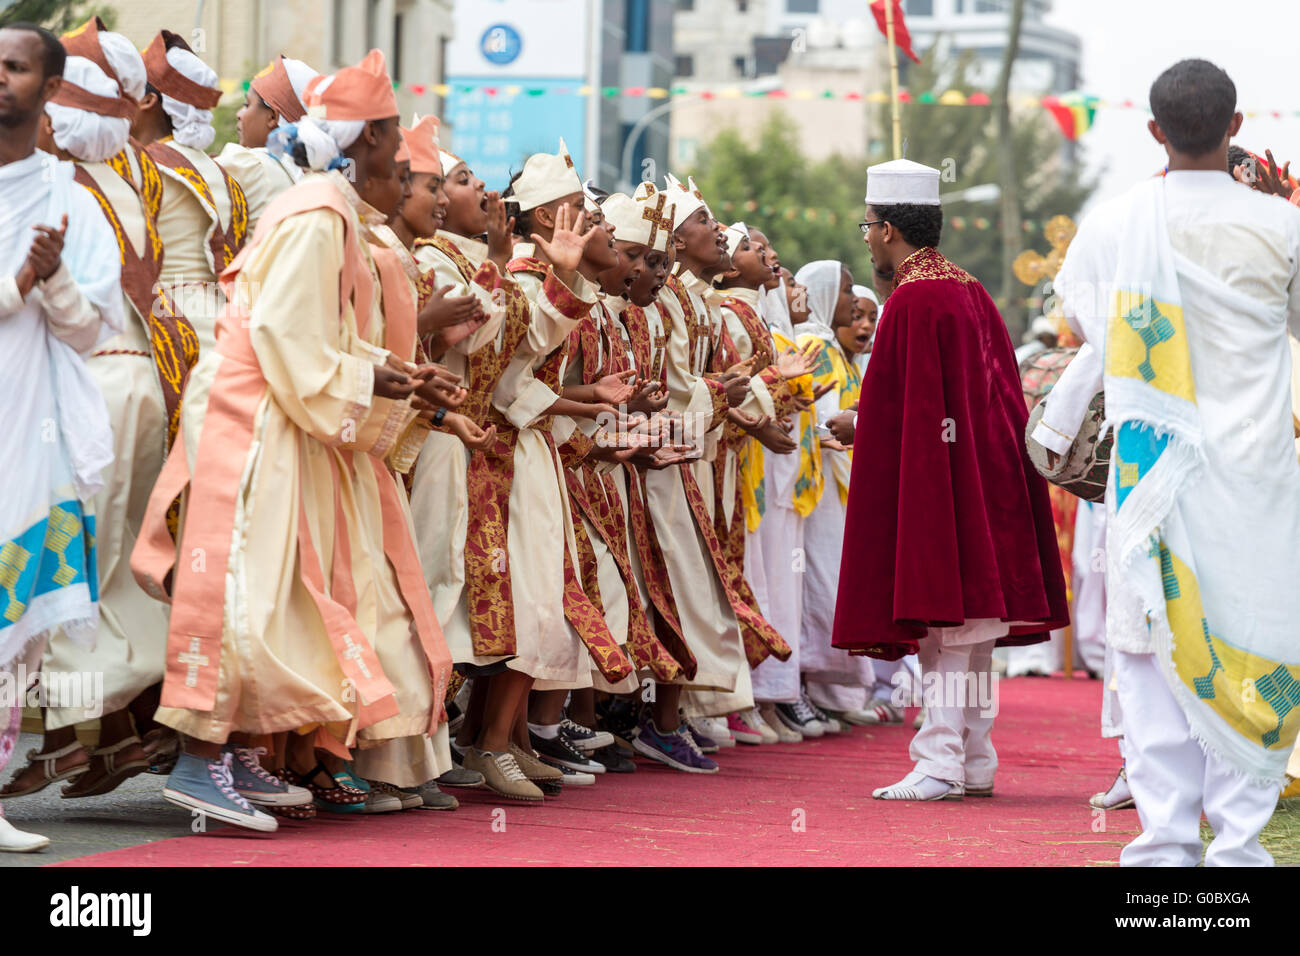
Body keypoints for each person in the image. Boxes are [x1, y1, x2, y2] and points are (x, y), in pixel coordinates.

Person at [131, 49, 454, 832]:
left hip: (282, 412)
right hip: (255, 417)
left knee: (288, 598)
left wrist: (386, 374)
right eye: (389, 134)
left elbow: (315, 333)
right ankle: (198, 760)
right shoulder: (318, 212)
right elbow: (281, 333)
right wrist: (371, 378)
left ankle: (239, 754)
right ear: (372, 139)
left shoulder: (324, 207)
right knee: (247, 589)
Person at [1038, 59, 1300, 865]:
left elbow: (1088, 324)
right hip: (1255, 477)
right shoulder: (1282, 228)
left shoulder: (1115, 226)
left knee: (1151, 653)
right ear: (1236, 127)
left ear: (1154, 132)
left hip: (1149, 475)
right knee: (1256, 632)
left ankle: (1164, 851)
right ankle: (1242, 851)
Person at [835, 158, 1069, 802]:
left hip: (943, 475)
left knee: (950, 625)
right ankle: (972, 756)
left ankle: (941, 758)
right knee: (972, 626)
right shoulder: (969, 287)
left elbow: (906, 409)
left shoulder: (914, 297)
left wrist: (862, 426)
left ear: (886, 231)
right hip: (986, 471)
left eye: (868, 225)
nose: (866, 236)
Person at [0, 22, 122, 851]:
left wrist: (56, 285)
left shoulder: (70, 198)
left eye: (13, 67)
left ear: (48, 92)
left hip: (28, 419)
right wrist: (21, 283)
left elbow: (90, 332)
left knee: (17, 626)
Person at [795, 261, 877, 726]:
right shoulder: (814, 346)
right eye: (846, 295)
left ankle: (826, 692)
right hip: (819, 485)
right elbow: (820, 420)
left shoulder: (839, 354)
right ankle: (800, 689)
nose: (853, 309)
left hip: (839, 485)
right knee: (817, 586)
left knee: (827, 584)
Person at [133, 30, 246, 355]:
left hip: (164, 330)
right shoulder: (224, 175)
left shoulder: (141, 166)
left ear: (147, 100)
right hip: (224, 331)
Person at [217, 55, 318, 231]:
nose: (239, 114)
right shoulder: (310, 178)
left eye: (247, 105)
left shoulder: (254, 164)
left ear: (272, 117)